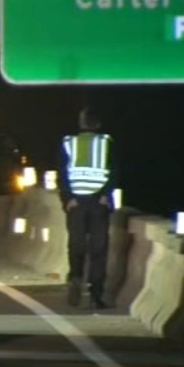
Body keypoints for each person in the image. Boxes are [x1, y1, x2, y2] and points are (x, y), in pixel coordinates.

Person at [58, 105, 116, 309]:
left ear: (81, 123)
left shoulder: (69, 142)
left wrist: (67, 198)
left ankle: (77, 278)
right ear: (98, 124)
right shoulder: (106, 142)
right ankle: (94, 293)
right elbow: (114, 171)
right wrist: (106, 195)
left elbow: (63, 173)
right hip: (97, 202)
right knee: (98, 249)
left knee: (77, 245)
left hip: (78, 202)